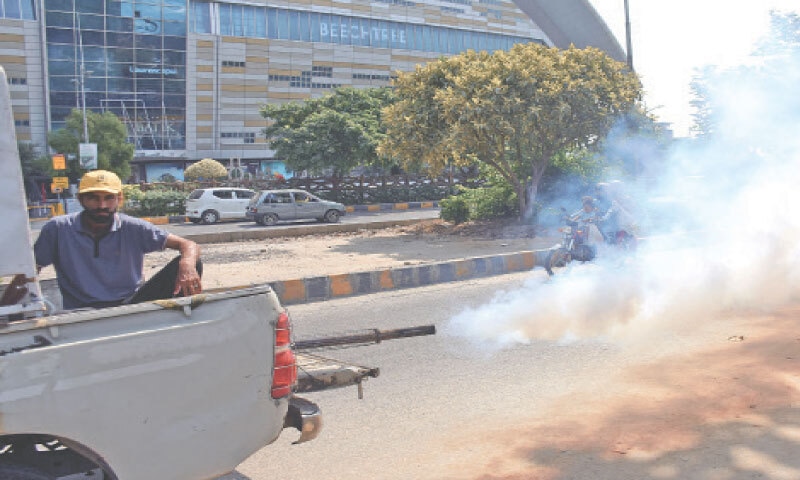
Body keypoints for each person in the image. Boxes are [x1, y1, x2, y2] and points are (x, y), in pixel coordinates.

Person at [32, 170, 203, 310]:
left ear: (119, 199)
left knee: (194, 263)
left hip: (130, 305)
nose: (102, 206)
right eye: (93, 198)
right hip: (82, 312)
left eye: (108, 198)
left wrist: (186, 265)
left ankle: (177, 322)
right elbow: (30, 270)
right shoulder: (58, 229)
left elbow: (188, 244)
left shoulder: (132, 227)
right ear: (81, 199)